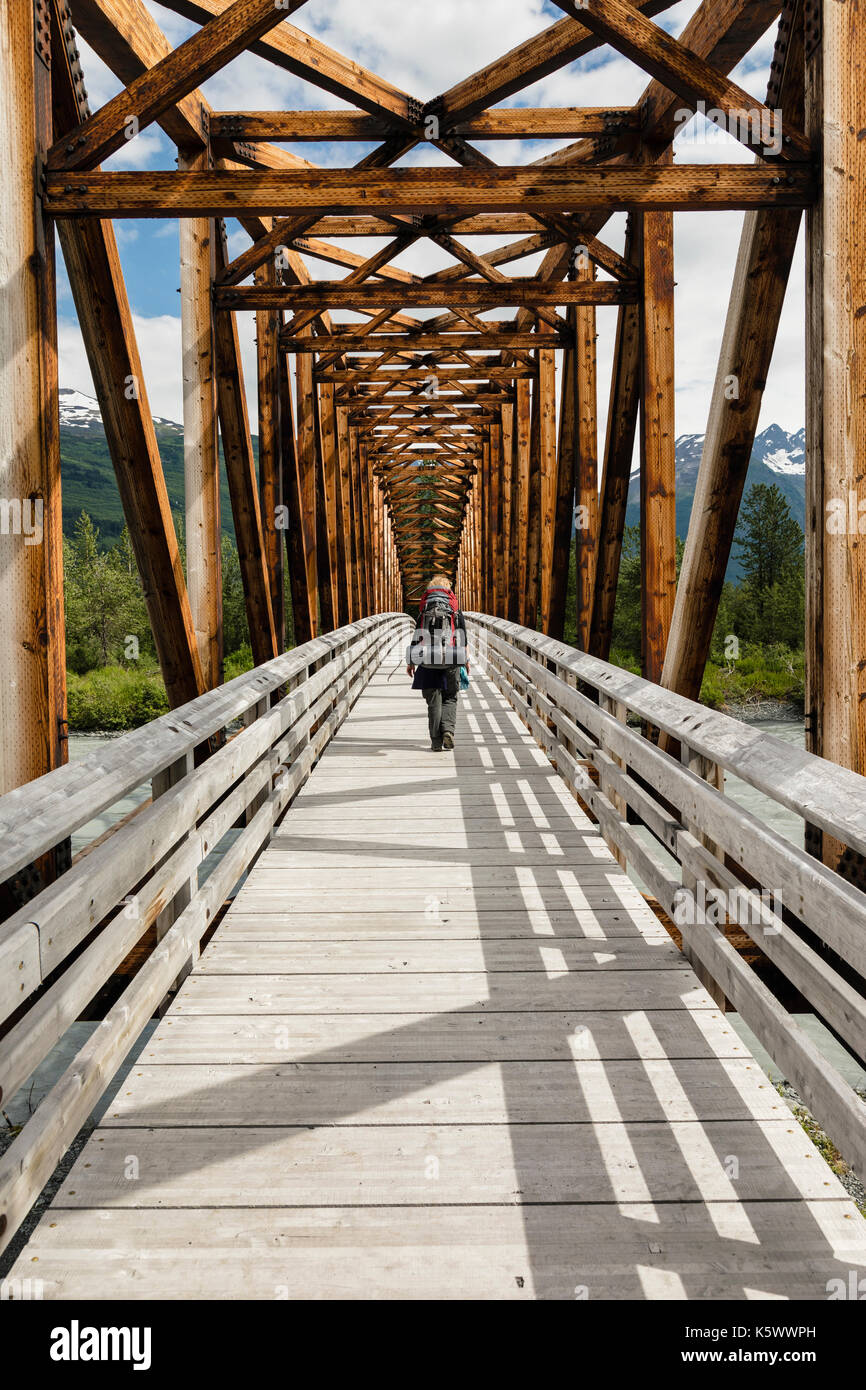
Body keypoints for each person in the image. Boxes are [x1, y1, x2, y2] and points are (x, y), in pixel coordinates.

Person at [406, 574, 469, 752]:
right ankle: (448, 731)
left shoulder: (425, 608)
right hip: (451, 658)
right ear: (448, 589)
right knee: (450, 697)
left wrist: (411, 661)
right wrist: (466, 661)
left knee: (433, 700)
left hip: (427, 660)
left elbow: (417, 634)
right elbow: (462, 636)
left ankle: (435, 742)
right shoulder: (454, 609)